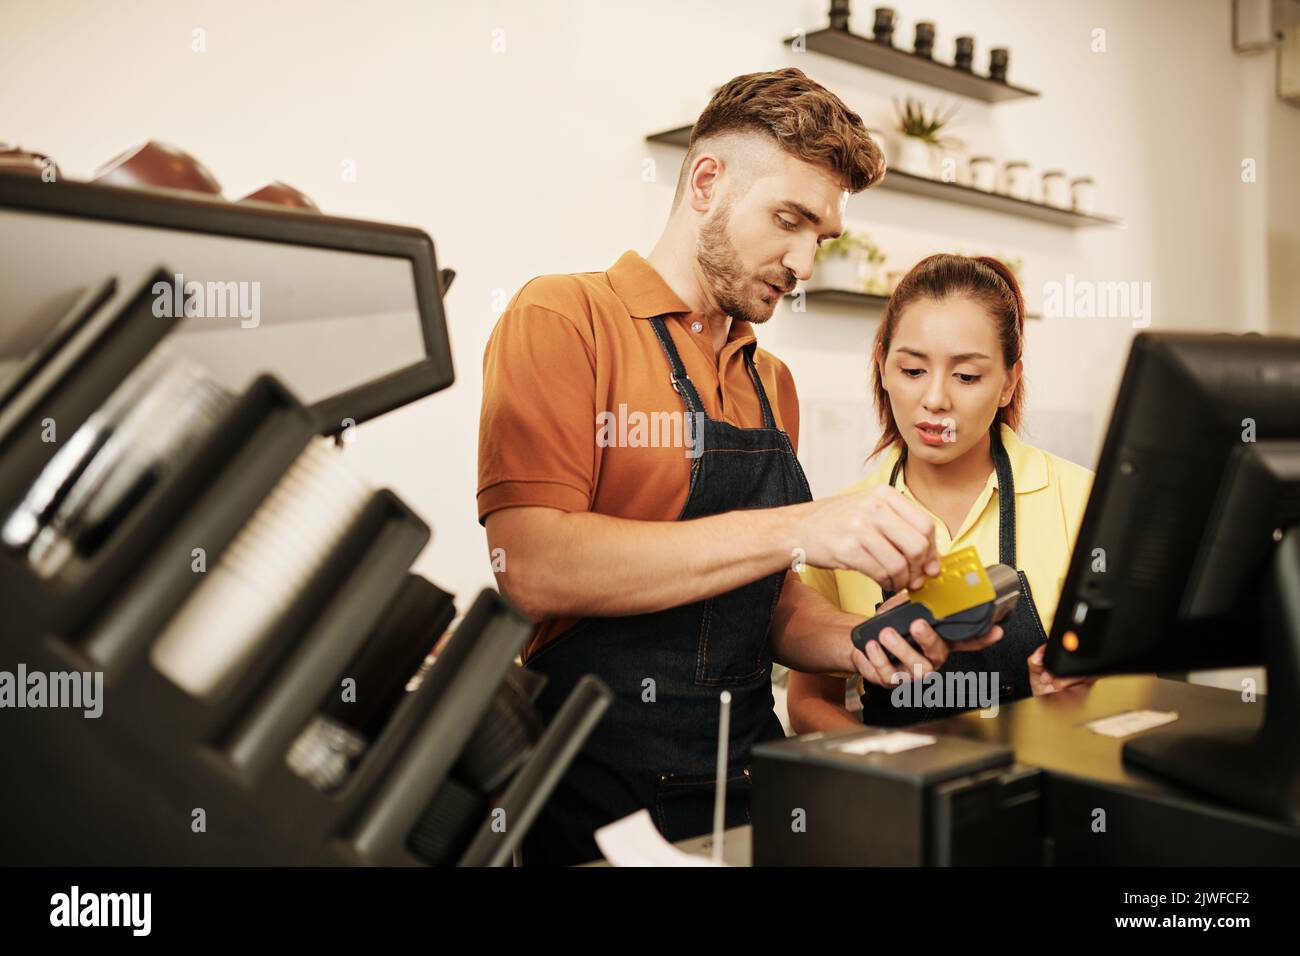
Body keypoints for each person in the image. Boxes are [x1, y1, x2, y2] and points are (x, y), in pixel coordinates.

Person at [476, 69, 1002, 865]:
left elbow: (761, 599)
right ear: (708, 181)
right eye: (788, 220)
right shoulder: (563, 318)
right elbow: (535, 565)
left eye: (819, 238)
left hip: (747, 766)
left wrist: (861, 640)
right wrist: (800, 525)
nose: (801, 263)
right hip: (598, 778)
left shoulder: (770, 380)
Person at [789, 253, 1096, 732]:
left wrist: (1076, 698)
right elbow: (810, 701)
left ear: (1008, 383)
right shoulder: (841, 529)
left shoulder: (1082, 502)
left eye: (967, 376)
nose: (935, 399)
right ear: (883, 369)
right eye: (912, 371)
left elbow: (1137, 689)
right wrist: (890, 772)